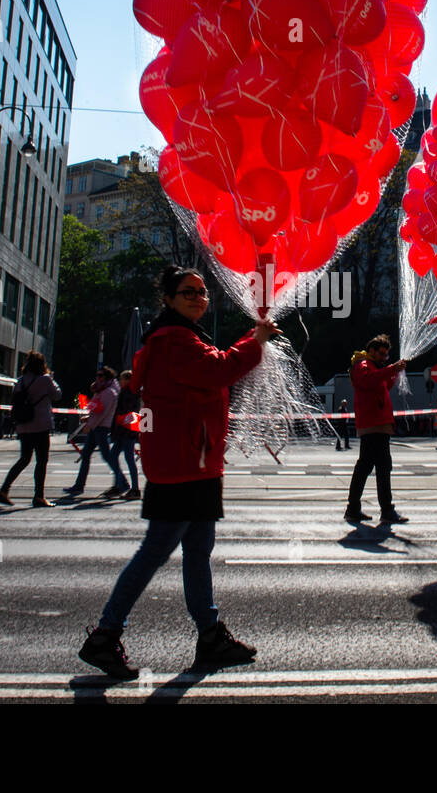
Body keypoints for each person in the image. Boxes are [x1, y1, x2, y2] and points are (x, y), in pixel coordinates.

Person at [78, 266, 279, 680]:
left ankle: (209, 636)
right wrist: (255, 340)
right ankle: (105, 635)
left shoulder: (181, 336)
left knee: (197, 551)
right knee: (155, 551)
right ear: (168, 299)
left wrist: (249, 340)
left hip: (195, 461)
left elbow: (215, 365)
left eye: (203, 292)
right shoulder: (173, 340)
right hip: (183, 464)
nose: (198, 298)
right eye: (188, 292)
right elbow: (217, 370)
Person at [343, 334, 409, 524]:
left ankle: (355, 508)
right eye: (381, 354)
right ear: (371, 351)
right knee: (379, 467)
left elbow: (382, 385)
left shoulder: (369, 366)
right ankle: (384, 510)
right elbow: (370, 381)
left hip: (376, 423)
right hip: (374, 424)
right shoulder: (363, 366)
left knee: (369, 466)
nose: (384, 358)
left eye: (386, 356)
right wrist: (391, 369)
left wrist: (394, 372)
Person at [0, 351, 61, 508]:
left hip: (23, 425)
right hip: (40, 425)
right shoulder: (45, 380)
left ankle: (4, 490)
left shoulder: (20, 381)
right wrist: (52, 378)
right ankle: (39, 496)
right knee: (42, 461)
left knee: (24, 459)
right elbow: (57, 395)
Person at [66, 366, 128, 497]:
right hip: (97, 427)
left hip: (101, 427)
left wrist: (90, 424)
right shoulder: (103, 390)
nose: (97, 378)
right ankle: (79, 485)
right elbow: (98, 410)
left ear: (107, 378)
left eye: (101, 376)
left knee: (106, 456)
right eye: (97, 375)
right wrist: (89, 419)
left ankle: (122, 482)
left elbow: (103, 413)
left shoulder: (108, 392)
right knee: (87, 455)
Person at [104, 369, 141, 501]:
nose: (120, 381)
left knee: (128, 458)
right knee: (114, 456)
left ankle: (134, 488)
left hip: (126, 430)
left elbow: (127, 411)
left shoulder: (130, 393)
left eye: (122, 379)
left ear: (128, 380)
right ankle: (120, 484)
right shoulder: (127, 392)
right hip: (123, 430)